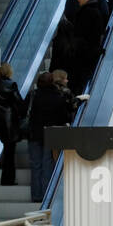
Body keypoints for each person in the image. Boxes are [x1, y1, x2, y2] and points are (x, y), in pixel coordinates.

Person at [27, 71, 70, 202]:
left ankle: (36, 195)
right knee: (47, 164)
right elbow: (64, 117)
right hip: (50, 134)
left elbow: (26, 112)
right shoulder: (58, 96)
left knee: (36, 165)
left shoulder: (33, 95)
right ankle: (47, 196)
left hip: (34, 134)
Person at [0, 63, 27, 186]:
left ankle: (6, 179)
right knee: (10, 152)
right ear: (8, 71)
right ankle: (8, 180)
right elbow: (19, 102)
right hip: (9, 121)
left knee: (7, 150)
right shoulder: (11, 84)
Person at [68, 0, 105, 96]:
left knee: (81, 80)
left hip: (85, 55)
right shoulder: (91, 11)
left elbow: (86, 34)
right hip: (87, 53)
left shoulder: (88, 13)